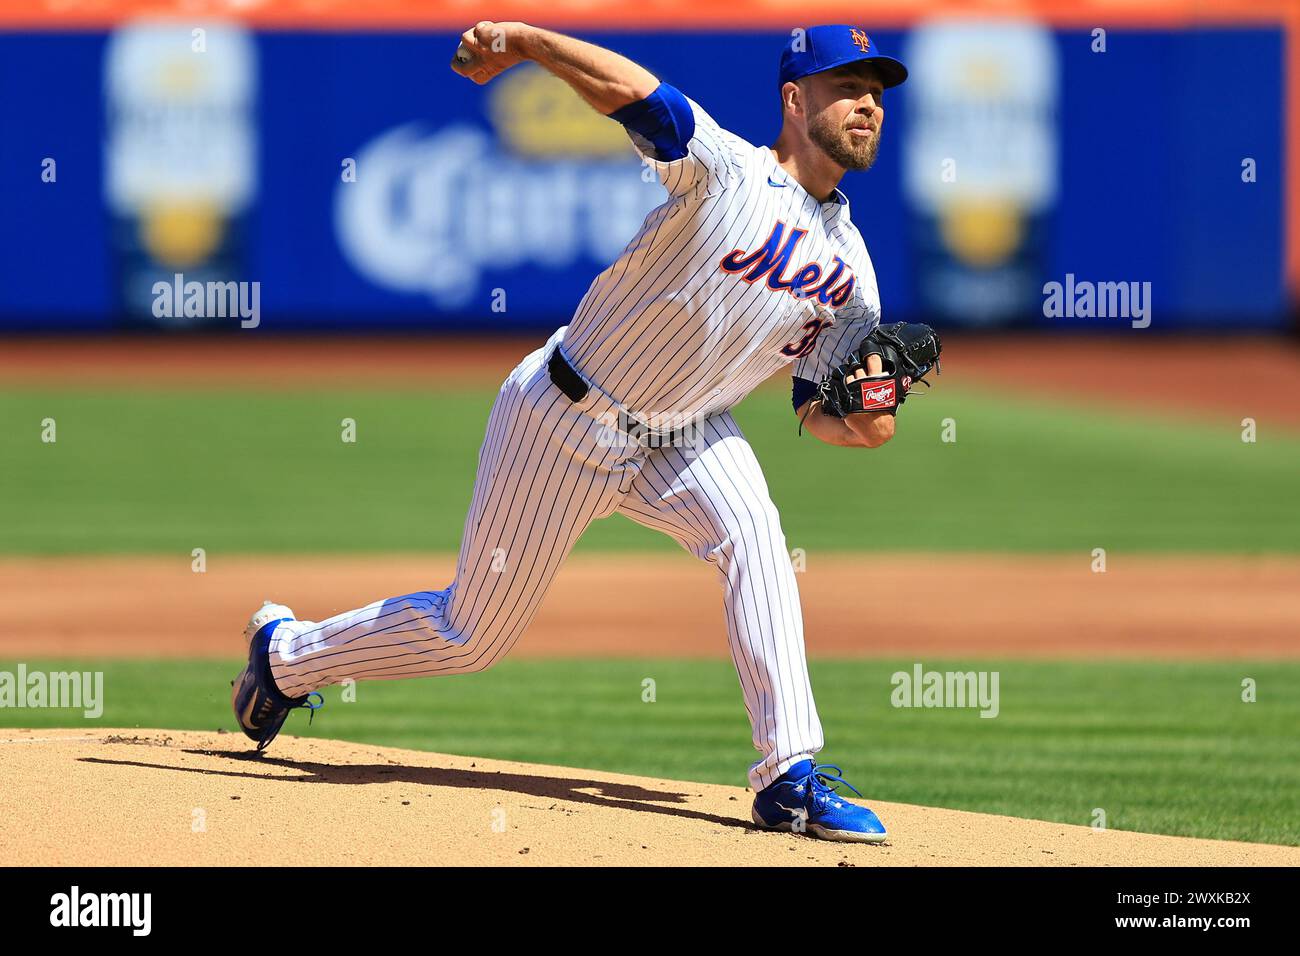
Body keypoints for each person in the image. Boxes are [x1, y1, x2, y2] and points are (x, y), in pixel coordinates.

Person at [232, 22, 910, 842]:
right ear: (796, 99)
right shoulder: (727, 168)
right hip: (561, 417)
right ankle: (284, 656)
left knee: (754, 534)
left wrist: (871, 419)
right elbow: (639, 94)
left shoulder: (857, 276)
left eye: (877, 90)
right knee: (469, 636)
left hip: (683, 435)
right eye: (848, 85)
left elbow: (817, 412)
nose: (868, 102)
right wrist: (525, 39)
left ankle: (788, 777)